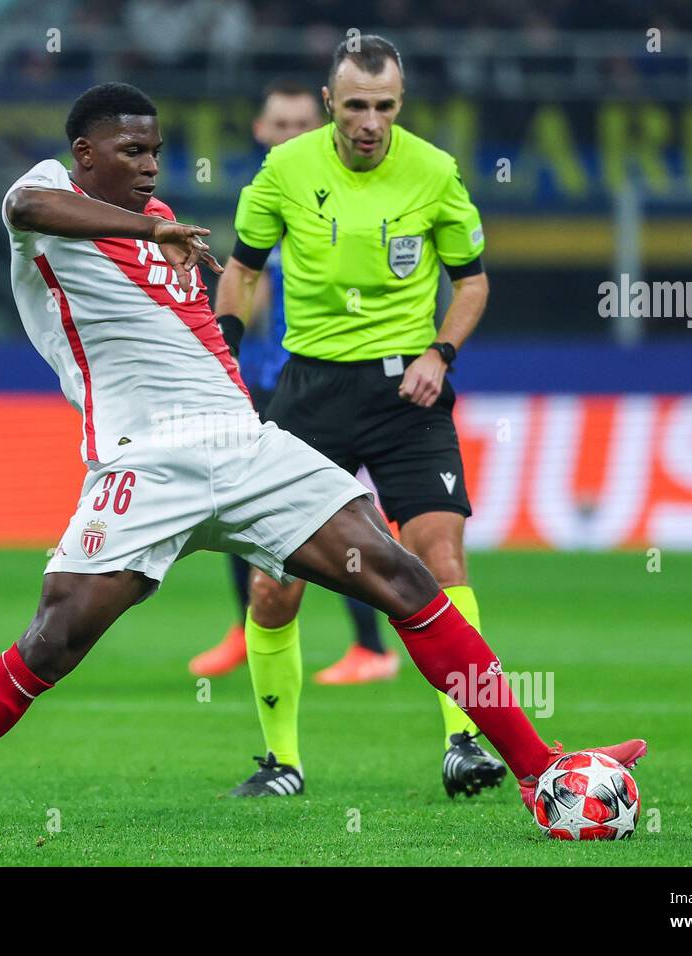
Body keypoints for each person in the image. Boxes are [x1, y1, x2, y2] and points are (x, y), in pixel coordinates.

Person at [0, 81, 645, 841]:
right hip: (143, 464)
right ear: (85, 154)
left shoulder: (168, 222)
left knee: (406, 580)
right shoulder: (54, 202)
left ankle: (541, 773)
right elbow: (24, 203)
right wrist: (148, 227)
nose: (149, 165)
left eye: (155, 152)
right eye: (129, 152)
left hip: (244, 446)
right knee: (53, 641)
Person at [215, 35, 511, 800]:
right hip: (310, 392)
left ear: (400, 105)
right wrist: (227, 350)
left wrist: (441, 352)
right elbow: (242, 270)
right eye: (355, 106)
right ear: (329, 104)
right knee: (273, 584)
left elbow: (472, 283)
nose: (370, 122)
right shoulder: (285, 170)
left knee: (440, 556)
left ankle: (464, 743)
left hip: (406, 393)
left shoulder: (435, 172)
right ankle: (282, 762)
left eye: (383, 107)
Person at [188, 77, 391, 686]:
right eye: (280, 125)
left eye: (303, 125)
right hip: (256, 381)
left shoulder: (343, 201)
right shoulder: (266, 196)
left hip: (316, 381)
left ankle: (370, 645)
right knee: (237, 508)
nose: (290, 135)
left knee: (332, 513)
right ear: (260, 131)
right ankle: (248, 626)